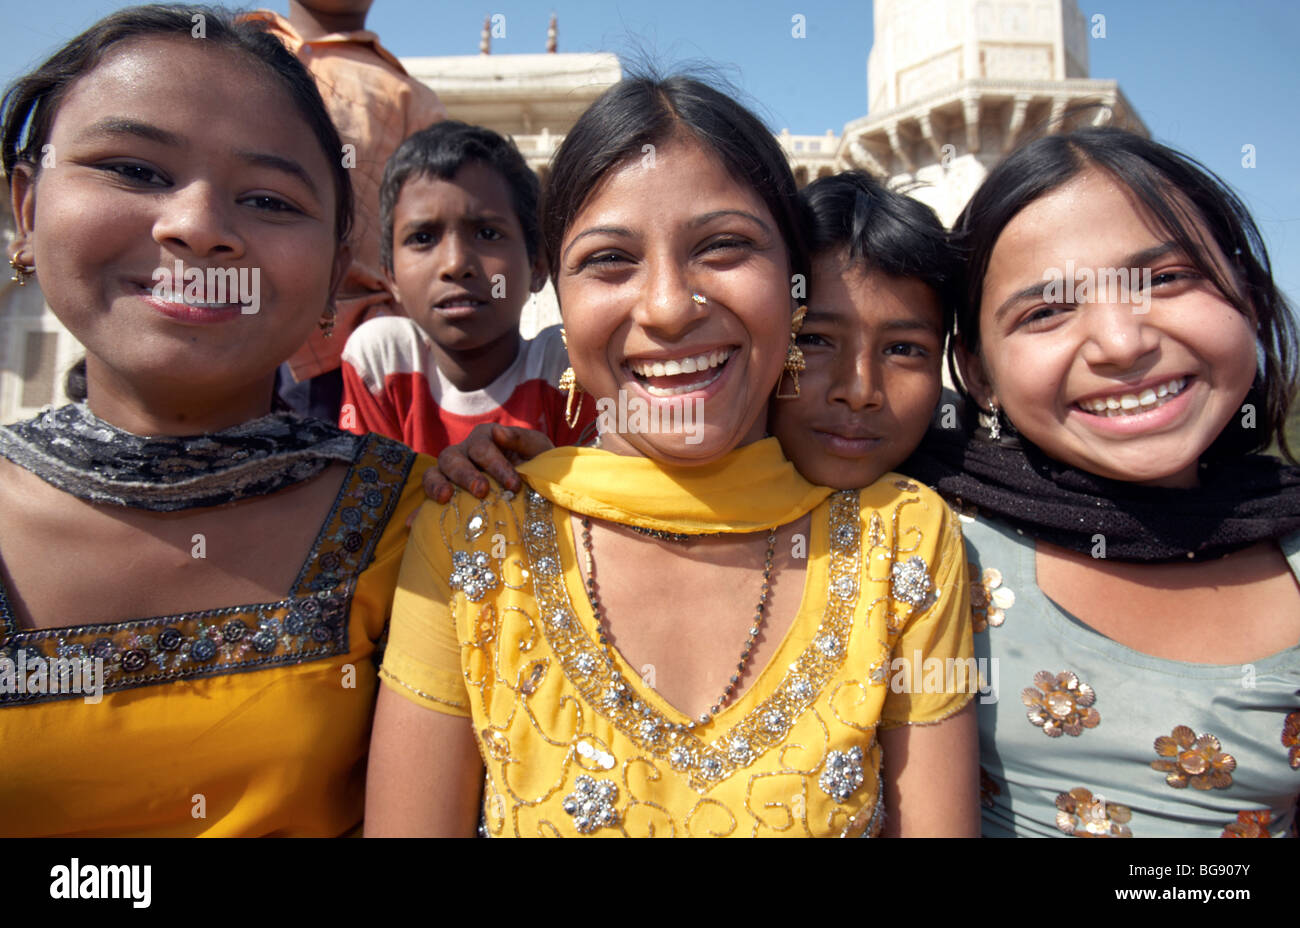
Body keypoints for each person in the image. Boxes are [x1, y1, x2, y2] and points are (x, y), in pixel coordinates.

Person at [365, 76, 978, 838]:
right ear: (556, 294)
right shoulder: (473, 536)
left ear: (793, 285)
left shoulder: (903, 541)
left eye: (723, 247)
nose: (665, 307)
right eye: (610, 259)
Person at [0, 5, 432, 837]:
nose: (196, 228)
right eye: (133, 169)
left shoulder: (423, 524)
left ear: (339, 270)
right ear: (26, 207)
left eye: (269, 198)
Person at [904, 127, 1300, 837]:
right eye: (1046, 312)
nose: (1123, 344)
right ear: (979, 372)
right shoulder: (921, 537)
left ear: (1245, 292)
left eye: (1166, 279)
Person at [241, 0, 447, 422]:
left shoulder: (406, 95)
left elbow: (431, 221)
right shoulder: (234, 51)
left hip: (343, 342)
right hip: (223, 306)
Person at [339, 121, 594, 456]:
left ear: (538, 265)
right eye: (423, 238)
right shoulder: (384, 363)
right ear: (391, 277)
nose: (455, 264)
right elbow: (368, 499)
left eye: (487, 234)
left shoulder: (566, 369)